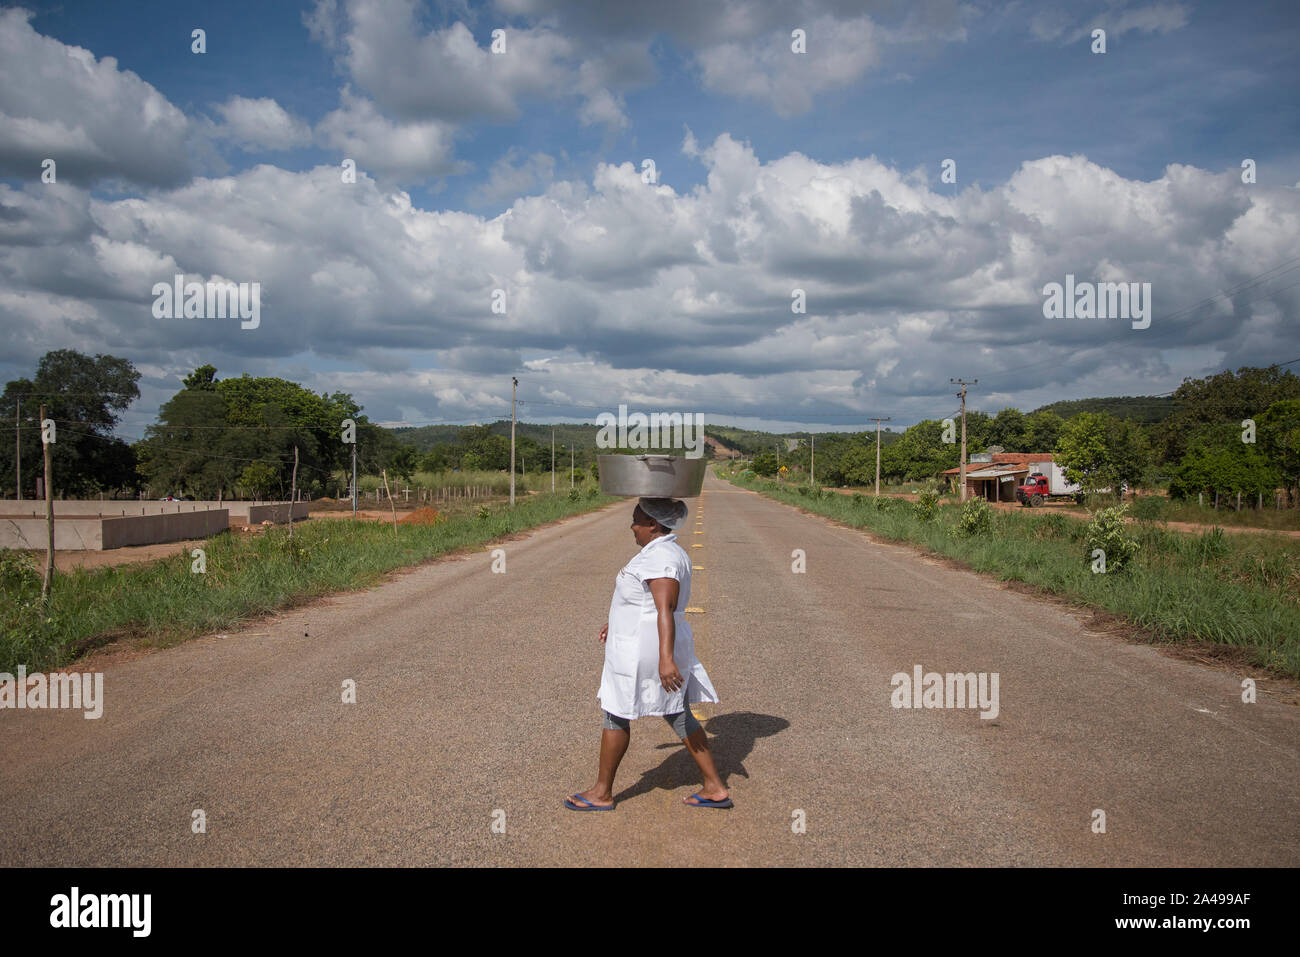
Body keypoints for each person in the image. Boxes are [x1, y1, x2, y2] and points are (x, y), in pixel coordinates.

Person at [565, 497, 732, 810]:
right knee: (678, 713)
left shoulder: (661, 557)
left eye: (636, 520)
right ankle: (714, 786)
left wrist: (665, 659)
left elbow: (664, 608)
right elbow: (641, 601)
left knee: (616, 712)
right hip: (645, 644)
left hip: (643, 651)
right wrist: (613, 622)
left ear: (654, 524)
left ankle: (602, 792)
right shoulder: (663, 552)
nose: (632, 526)